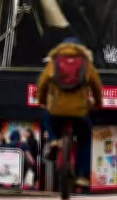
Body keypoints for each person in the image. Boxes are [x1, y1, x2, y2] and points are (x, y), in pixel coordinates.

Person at [37, 37, 103, 187]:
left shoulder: (54, 62)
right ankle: (83, 174)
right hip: (79, 112)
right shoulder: (86, 63)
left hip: (56, 110)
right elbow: (97, 86)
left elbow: (43, 83)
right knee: (85, 137)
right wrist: (98, 103)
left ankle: (54, 140)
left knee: (46, 119)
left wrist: (42, 100)